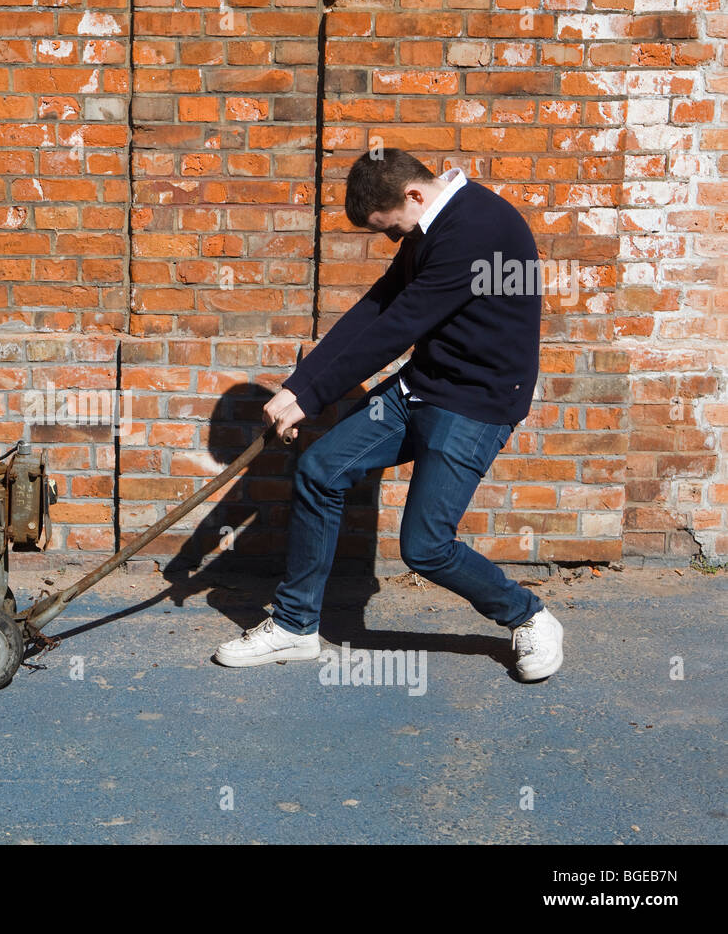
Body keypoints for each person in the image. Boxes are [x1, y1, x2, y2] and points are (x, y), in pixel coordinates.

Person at [214, 148, 563, 682]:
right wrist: (300, 387)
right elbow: (378, 306)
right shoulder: (435, 221)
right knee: (319, 470)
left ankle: (529, 616)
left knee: (426, 548)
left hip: (476, 402)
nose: (393, 240)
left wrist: (313, 398)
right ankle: (295, 625)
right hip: (422, 386)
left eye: (391, 229)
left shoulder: (479, 229)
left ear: (414, 195)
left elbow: (398, 327)